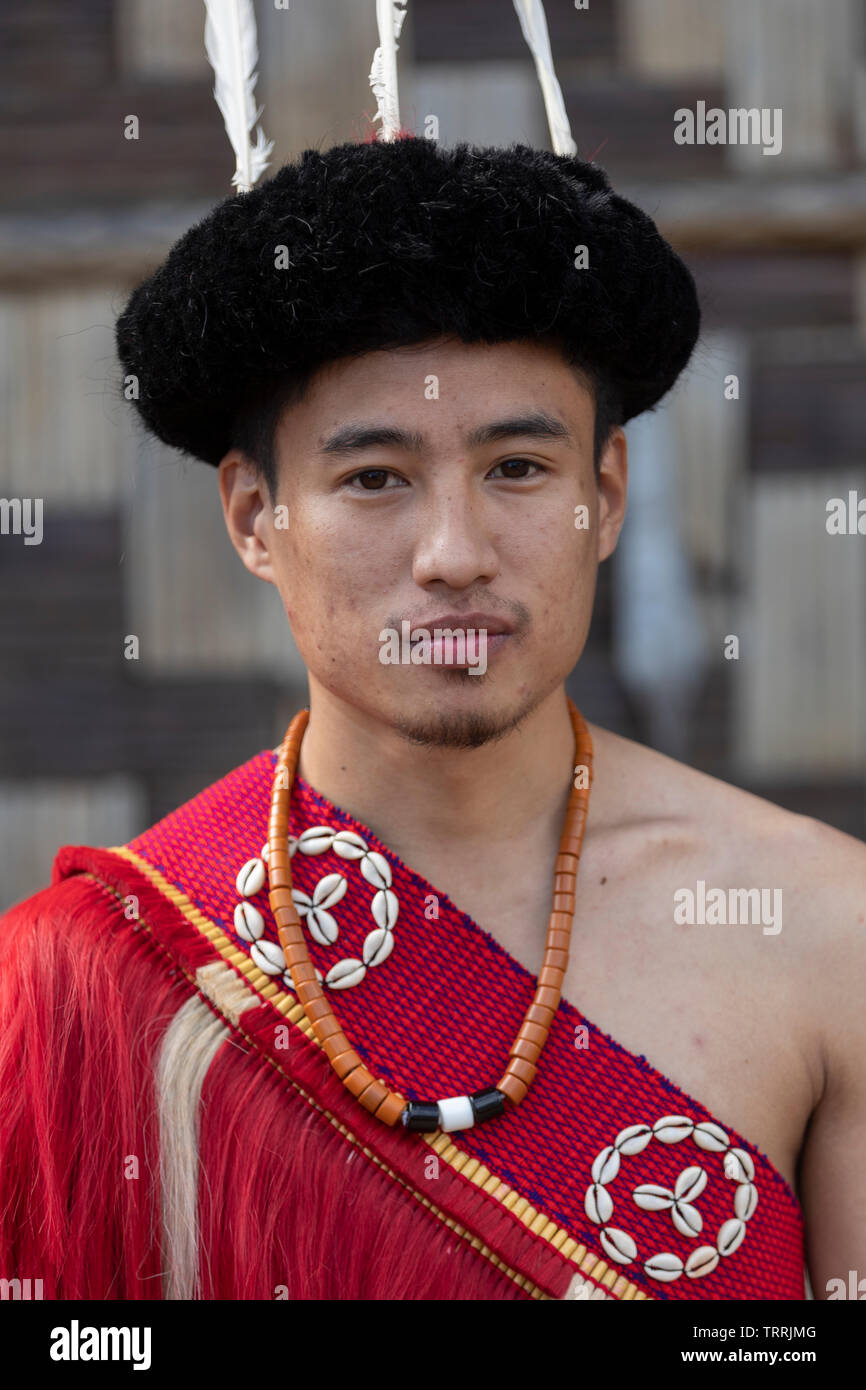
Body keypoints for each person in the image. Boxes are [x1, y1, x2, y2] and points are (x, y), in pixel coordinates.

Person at [1, 137, 862, 1301]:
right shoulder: (80, 982)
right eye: (373, 479)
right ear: (256, 518)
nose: (453, 555)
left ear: (600, 496)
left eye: (516, 469)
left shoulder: (823, 935)